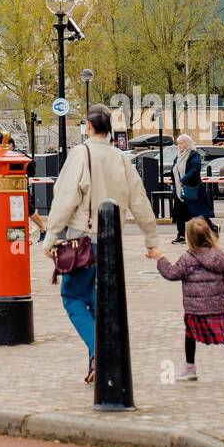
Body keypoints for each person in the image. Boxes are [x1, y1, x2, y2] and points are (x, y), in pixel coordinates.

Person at [43, 104, 160, 384]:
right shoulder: (122, 159)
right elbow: (140, 200)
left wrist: (50, 237)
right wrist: (151, 240)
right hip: (112, 245)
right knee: (99, 304)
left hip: (83, 240)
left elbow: (65, 198)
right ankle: (97, 364)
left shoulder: (80, 155)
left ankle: (99, 353)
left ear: (89, 125)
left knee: (72, 298)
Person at [156, 217, 224, 384]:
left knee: (190, 334)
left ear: (189, 239)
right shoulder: (220, 258)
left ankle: (189, 367)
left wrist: (160, 258)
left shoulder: (188, 258)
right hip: (217, 306)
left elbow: (171, 274)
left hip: (195, 308)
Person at [172, 133, 218, 239]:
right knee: (179, 213)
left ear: (187, 144)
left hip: (192, 189)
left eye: (181, 143)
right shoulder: (178, 157)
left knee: (198, 213)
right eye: (178, 143)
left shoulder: (193, 155)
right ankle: (181, 235)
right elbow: (175, 170)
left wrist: (184, 180)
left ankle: (213, 228)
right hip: (179, 189)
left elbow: (195, 170)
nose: (178, 145)